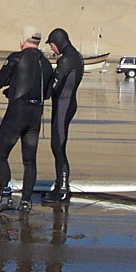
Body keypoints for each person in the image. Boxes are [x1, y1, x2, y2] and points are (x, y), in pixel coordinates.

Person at [0, 26, 54, 214]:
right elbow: (47, 93)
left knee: (0, 154)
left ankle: (6, 195)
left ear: (23, 40)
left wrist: (12, 89)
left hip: (17, 113)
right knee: (29, 161)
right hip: (36, 116)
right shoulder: (47, 64)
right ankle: (25, 202)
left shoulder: (16, 57)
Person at [42, 28, 84, 204]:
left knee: (58, 146)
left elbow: (54, 85)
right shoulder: (77, 56)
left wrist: (39, 94)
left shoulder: (67, 60)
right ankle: (60, 183)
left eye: (52, 45)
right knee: (58, 145)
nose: (52, 49)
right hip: (67, 103)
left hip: (63, 106)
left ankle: (63, 189)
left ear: (57, 42)